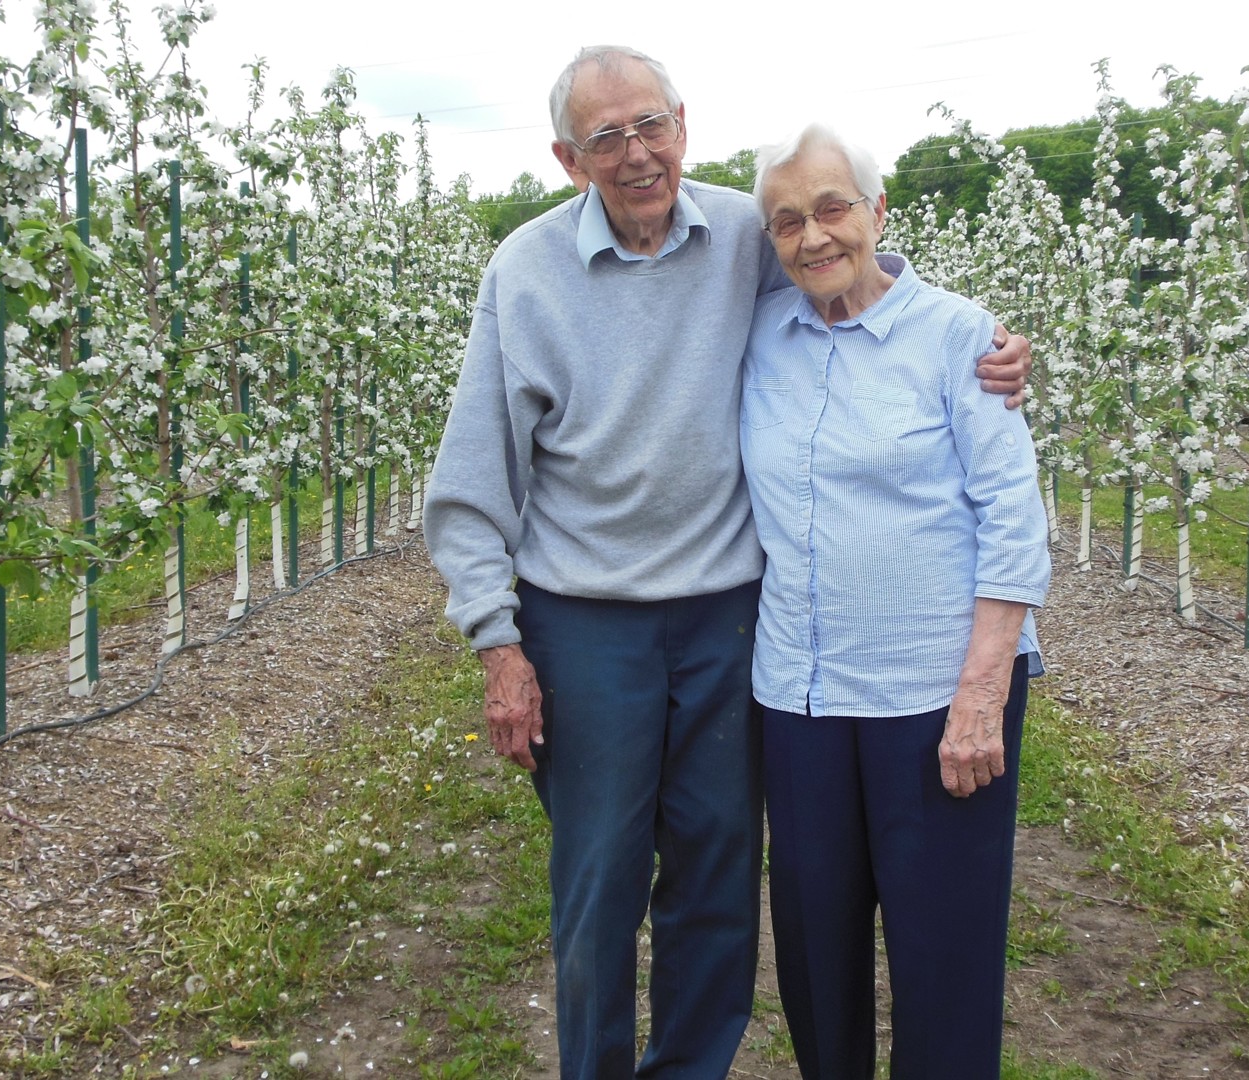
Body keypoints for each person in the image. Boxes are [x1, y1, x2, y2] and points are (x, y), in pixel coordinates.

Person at [423, 47, 1029, 1080]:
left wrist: (984, 351)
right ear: (569, 160)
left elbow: (851, 258)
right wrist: (498, 644)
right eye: (606, 137)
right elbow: (473, 477)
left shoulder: (743, 232)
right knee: (599, 882)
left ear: (684, 125)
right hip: (586, 623)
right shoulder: (524, 272)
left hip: (727, 619)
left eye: (650, 124)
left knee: (714, 877)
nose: (636, 153)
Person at [740, 123, 1051, 1080]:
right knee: (813, 949)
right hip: (799, 697)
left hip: (935, 697)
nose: (813, 236)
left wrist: (981, 694)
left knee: (944, 954)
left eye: (832, 208)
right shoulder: (760, 334)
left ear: (878, 212)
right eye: (787, 221)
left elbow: (1011, 515)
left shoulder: (958, 335)